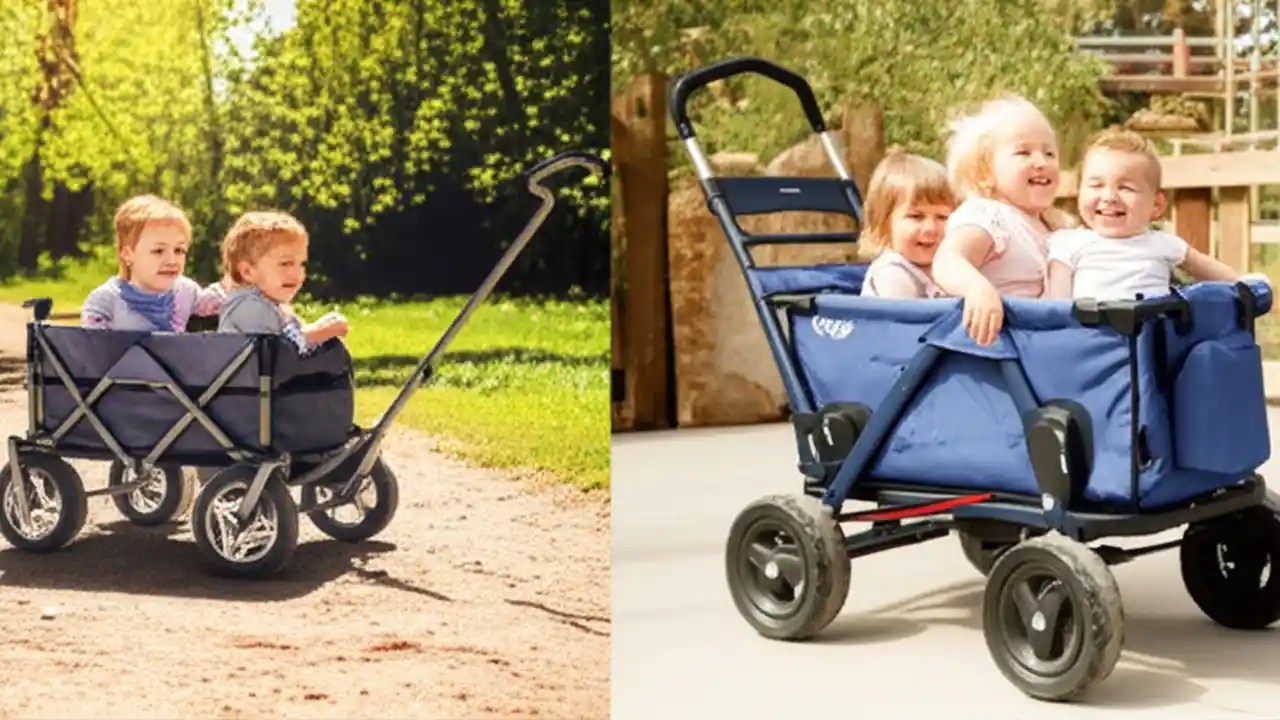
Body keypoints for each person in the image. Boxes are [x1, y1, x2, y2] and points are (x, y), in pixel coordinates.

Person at [1045, 128, 1267, 300]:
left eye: (1126, 188)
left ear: (1156, 205)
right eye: (1096, 185)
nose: (1110, 196)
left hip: (1153, 345)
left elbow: (1205, 267)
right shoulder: (1070, 242)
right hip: (1091, 344)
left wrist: (1243, 284)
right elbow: (1057, 305)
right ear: (1078, 194)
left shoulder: (1163, 244)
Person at [931, 95, 1075, 345]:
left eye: (1049, 153)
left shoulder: (1056, 225)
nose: (1041, 162)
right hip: (999, 350)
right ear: (984, 173)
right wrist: (977, 289)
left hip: (1050, 342)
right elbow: (948, 260)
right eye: (1023, 152)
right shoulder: (989, 216)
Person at [80, 195, 231, 331]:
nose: (172, 261)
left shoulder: (185, 292)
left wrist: (238, 278)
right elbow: (90, 353)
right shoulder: (105, 302)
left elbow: (221, 301)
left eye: (179, 250)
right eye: (158, 251)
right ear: (128, 254)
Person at [217, 210, 348, 355]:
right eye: (285, 263)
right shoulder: (247, 305)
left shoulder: (274, 306)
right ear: (248, 272)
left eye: (302, 264)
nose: (297, 273)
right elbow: (280, 352)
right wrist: (322, 331)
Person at [858, 151, 956, 299]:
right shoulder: (893, 273)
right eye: (916, 217)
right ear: (883, 223)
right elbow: (907, 319)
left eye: (942, 217)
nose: (931, 228)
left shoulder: (949, 267)